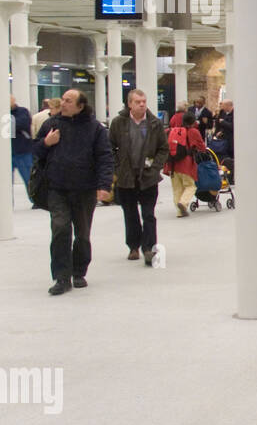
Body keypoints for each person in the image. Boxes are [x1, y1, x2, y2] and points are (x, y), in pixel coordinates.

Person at [34, 88, 114, 295]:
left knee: (82, 234)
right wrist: (45, 143)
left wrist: (104, 185)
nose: (63, 103)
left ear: (80, 105)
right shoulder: (51, 125)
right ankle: (61, 277)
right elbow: (35, 151)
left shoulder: (95, 128)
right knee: (60, 229)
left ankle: (79, 271)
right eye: (63, 99)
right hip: (57, 187)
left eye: (68, 101)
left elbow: (105, 157)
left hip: (84, 189)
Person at [108, 88, 170, 266]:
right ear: (129, 104)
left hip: (148, 177)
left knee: (149, 214)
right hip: (126, 177)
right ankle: (133, 246)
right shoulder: (119, 123)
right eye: (137, 102)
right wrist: (117, 167)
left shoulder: (154, 124)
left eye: (144, 101)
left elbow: (163, 149)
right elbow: (109, 147)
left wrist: (156, 166)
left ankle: (149, 248)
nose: (142, 104)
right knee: (130, 214)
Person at [163, 109, 206, 217]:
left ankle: (179, 212)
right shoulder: (193, 132)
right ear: (193, 122)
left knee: (177, 188)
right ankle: (183, 203)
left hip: (172, 164)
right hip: (186, 164)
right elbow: (202, 147)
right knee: (191, 186)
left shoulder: (171, 130)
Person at [9, 95, 35, 189]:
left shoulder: (22, 111)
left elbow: (22, 123)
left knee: (29, 180)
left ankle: (35, 202)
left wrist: (7, 122)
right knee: (5, 184)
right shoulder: (1, 113)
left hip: (23, 151)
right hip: (7, 153)